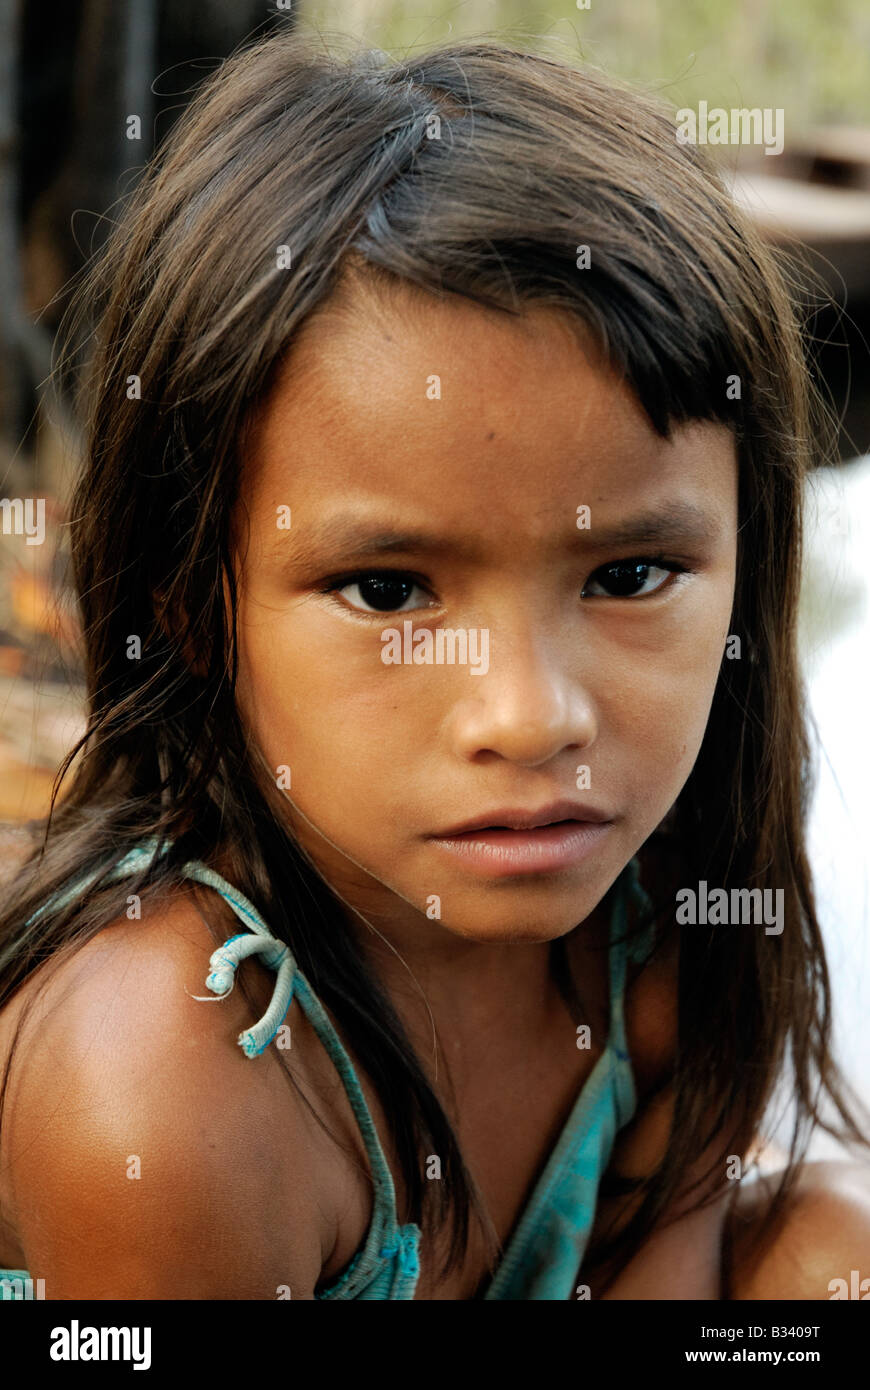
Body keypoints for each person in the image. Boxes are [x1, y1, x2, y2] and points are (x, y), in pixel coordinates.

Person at [0, 30, 868, 1301]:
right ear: (192, 603)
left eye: (628, 577)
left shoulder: (669, 904)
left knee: (831, 1243)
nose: (533, 718)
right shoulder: (169, 1085)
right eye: (388, 590)